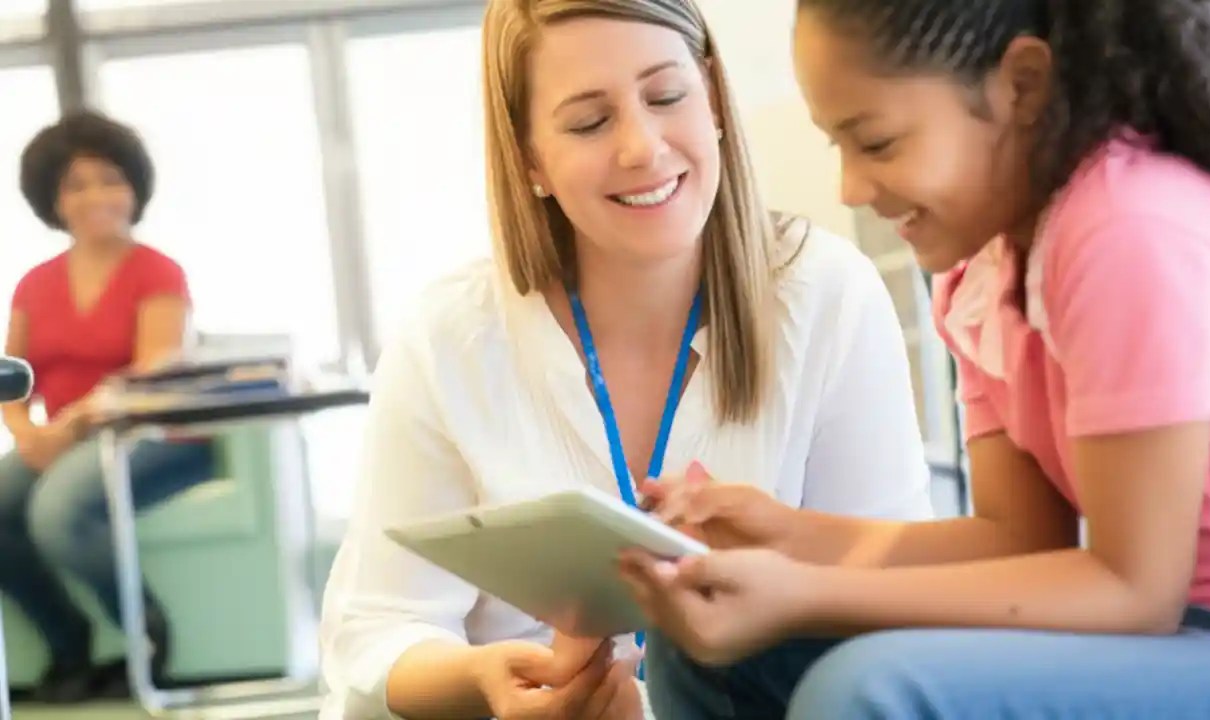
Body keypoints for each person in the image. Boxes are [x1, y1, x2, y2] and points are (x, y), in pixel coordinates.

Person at [621, 0, 1210, 717]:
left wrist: (805, 591)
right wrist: (789, 537)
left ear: (1021, 87)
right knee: (706, 649)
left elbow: (1136, 591)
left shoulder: (1129, 230)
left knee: (873, 688)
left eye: (876, 143)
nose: (850, 188)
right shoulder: (984, 273)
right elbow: (1017, 542)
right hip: (1171, 634)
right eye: (838, 146)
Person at [318, 0, 936, 717]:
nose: (642, 147)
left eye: (666, 96)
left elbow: (892, 601)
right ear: (529, 158)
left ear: (713, 98)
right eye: (589, 122)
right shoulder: (449, 337)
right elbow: (375, 633)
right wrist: (486, 680)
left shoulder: (828, 294)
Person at [0, 110, 213, 702]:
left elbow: (146, 380)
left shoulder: (159, 273)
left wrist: (64, 429)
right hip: (63, 438)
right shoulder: (34, 284)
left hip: (153, 438)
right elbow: (11, 379)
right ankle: (68, 646)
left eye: (111, 180)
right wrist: (25, 432)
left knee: (57, 511)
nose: (96, 196)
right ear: (53, 200)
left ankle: (148, 639)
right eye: (77, 185)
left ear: (134, 189)